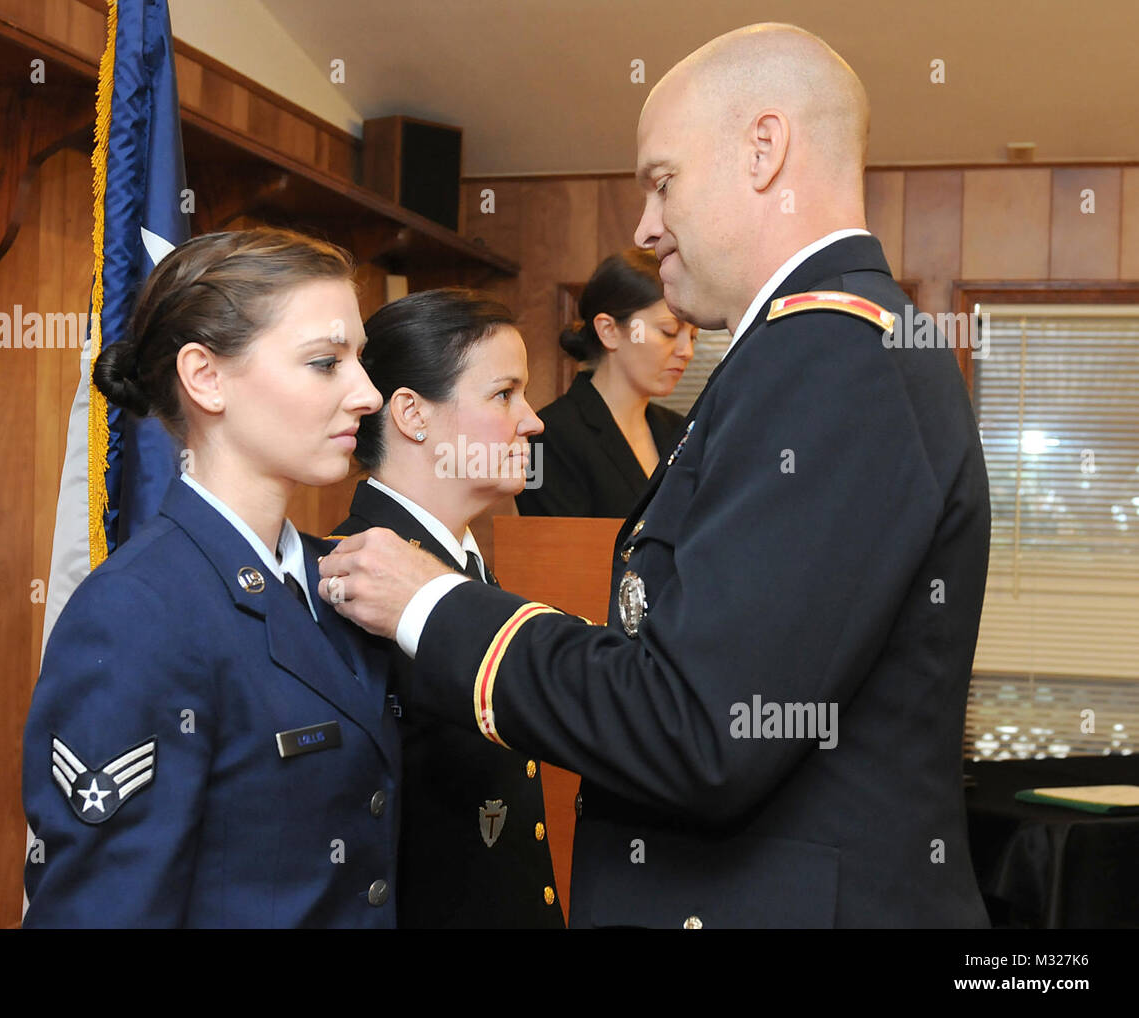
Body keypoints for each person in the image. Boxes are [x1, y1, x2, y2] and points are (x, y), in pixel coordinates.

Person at [317, 23, 992, 928]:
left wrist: (433, 607)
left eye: (662, 181)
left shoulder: (832, 361)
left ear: (764, 149)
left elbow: (698, 729)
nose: (644, 225)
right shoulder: (810, 354)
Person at [22, 228, 400, 928]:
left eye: (361, 361)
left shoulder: (341, 578)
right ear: (205, 377)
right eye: (326, 362)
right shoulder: (138, 614)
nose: (369, 394)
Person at [330, 288, 563, 928]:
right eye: (504, 394)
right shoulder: (350, 578)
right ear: (412, 414)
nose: (533, 420)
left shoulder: (460, 566)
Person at [515, 249, 697, 518]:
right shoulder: (547, 437)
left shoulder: (679, 431)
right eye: (669, 331)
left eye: (694, 337)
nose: (686, 351)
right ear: (609, 331)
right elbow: (557, 551)